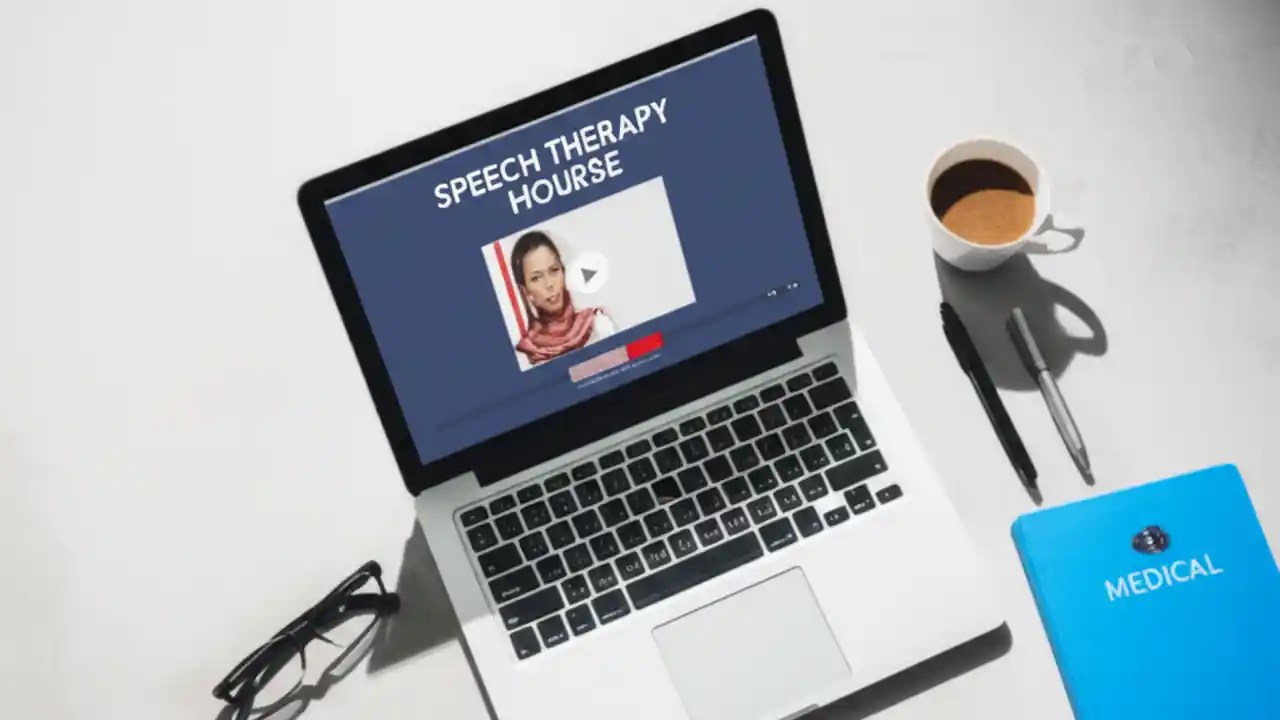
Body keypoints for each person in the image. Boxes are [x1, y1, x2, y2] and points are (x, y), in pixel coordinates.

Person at [510, 230, 615, 365]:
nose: (549, 284)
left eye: (554, 270)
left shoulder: (597, 323)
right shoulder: (528, 353)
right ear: (525, 291)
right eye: (536, 278)